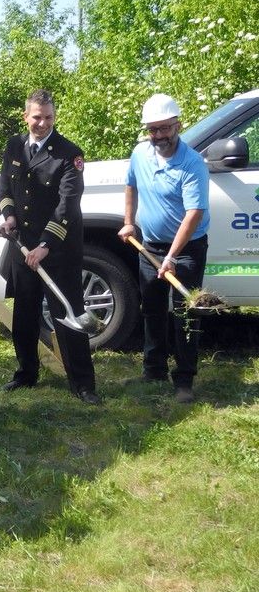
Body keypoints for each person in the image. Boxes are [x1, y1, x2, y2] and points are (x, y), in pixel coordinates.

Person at [0, 89, 100, 405]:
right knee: (24, 316)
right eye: (37, 117)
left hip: (58, 250)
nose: (42, 123)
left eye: (48, 117)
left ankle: (83, 384)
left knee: (67, 316)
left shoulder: (69, 154)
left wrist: (45, 245)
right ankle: (26, 373)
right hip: (22, 248)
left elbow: (68, 205)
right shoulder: (14, 145)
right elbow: (5, 187)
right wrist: (9, 216)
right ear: (26, 117)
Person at [118, 94, 209, 404]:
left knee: (186, 313)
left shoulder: (192, 163)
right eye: (152, 129)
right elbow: (131, 186)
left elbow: (194, 214)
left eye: (164, 128)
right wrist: (129, 222)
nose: (158, 135)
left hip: (186, 249)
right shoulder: (140, 154)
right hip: (150, 245)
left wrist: (171, 257)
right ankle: (153, 369)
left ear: (177, 125)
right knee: (153, 308)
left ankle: (184, 380)